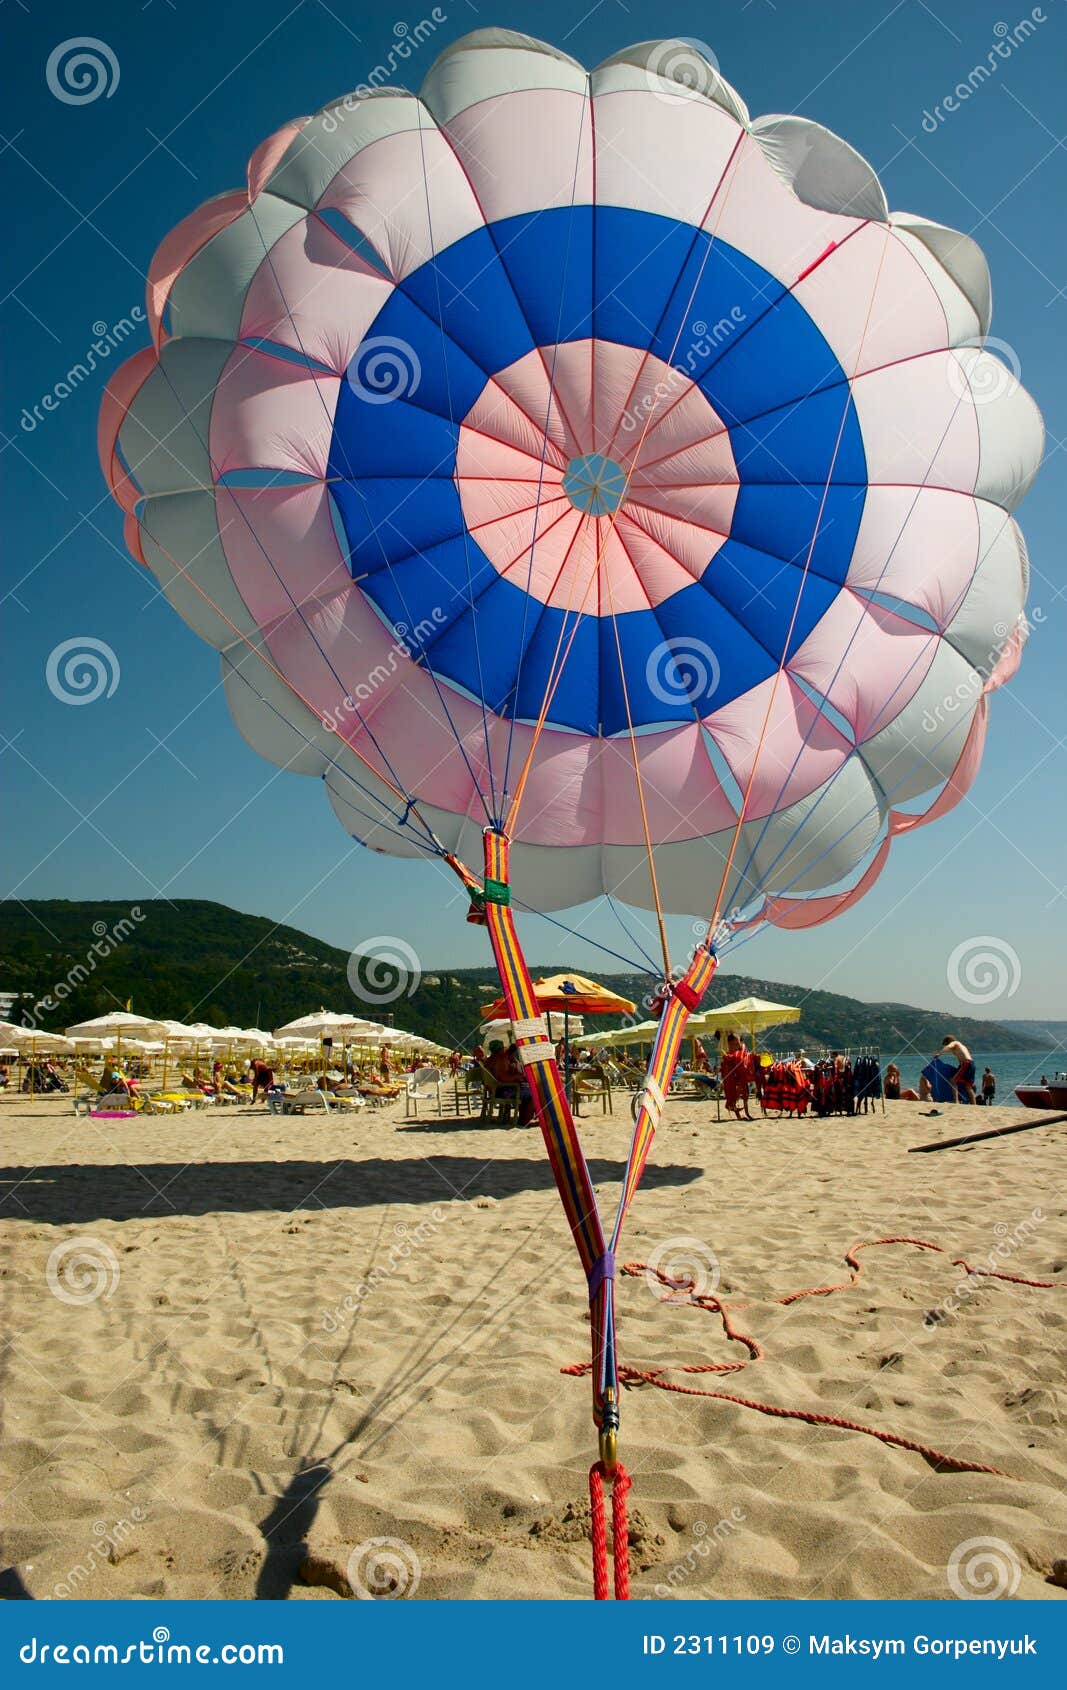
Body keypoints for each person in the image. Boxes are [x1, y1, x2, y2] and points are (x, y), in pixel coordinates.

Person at [720, 1032, 753, 1121]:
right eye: (736, 1043)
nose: (738, 1045)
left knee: (745, 1094)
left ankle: (746, 1112)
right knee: (732, 1094)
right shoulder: (729, 1055)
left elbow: (743, 1048)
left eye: (739, 1043)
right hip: (732, 1078)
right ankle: (738, 1114)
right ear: (730, 1044)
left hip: (741, 1076)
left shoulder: (739, 1052)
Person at [941, 1035, 976, 1104]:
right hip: (971, 1064)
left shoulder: (955, 1043)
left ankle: (956, 1101)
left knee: (953, 1080)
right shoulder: (961, 1046)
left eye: (946, 1044)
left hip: (966, 1063)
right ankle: (974, 1104)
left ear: (949, 1041)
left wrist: (939, 1053)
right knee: (968, 1086)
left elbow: (949, 1046)